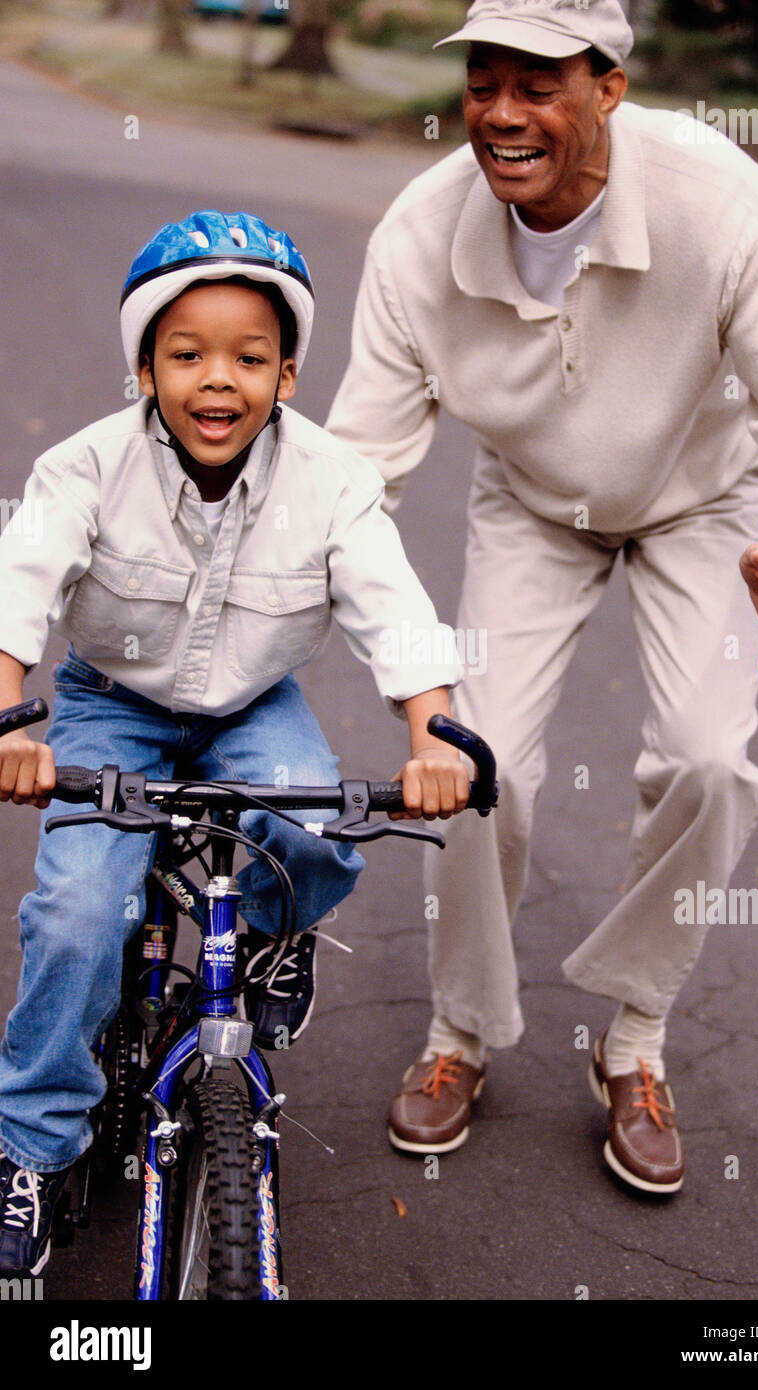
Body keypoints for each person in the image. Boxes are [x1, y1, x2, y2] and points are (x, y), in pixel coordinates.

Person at [326, 0, 758, 1192]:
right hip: (529, 503)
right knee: (478, 761)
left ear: (608, 87)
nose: (502, 116)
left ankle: (632, 1036)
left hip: (709, 505)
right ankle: (458, 1031)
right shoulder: (422, 233)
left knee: (707, 759)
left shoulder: (715, 202)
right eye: (482, 84)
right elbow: (355, 468)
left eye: (539, 84)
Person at [0, 209, 470, 1278]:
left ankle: (265, 939)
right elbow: (18, 581)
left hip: (250, 704)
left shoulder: (333, 481)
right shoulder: (85, 467)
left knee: (307, 822)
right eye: (187, 355)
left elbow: (390, 601)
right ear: (145, 369)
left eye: (248, 358)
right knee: (79, 910)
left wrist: (432, 735)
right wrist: (8, 721)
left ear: (288, 375)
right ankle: (28, 1143)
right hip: (110, 700)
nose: (219, 381)